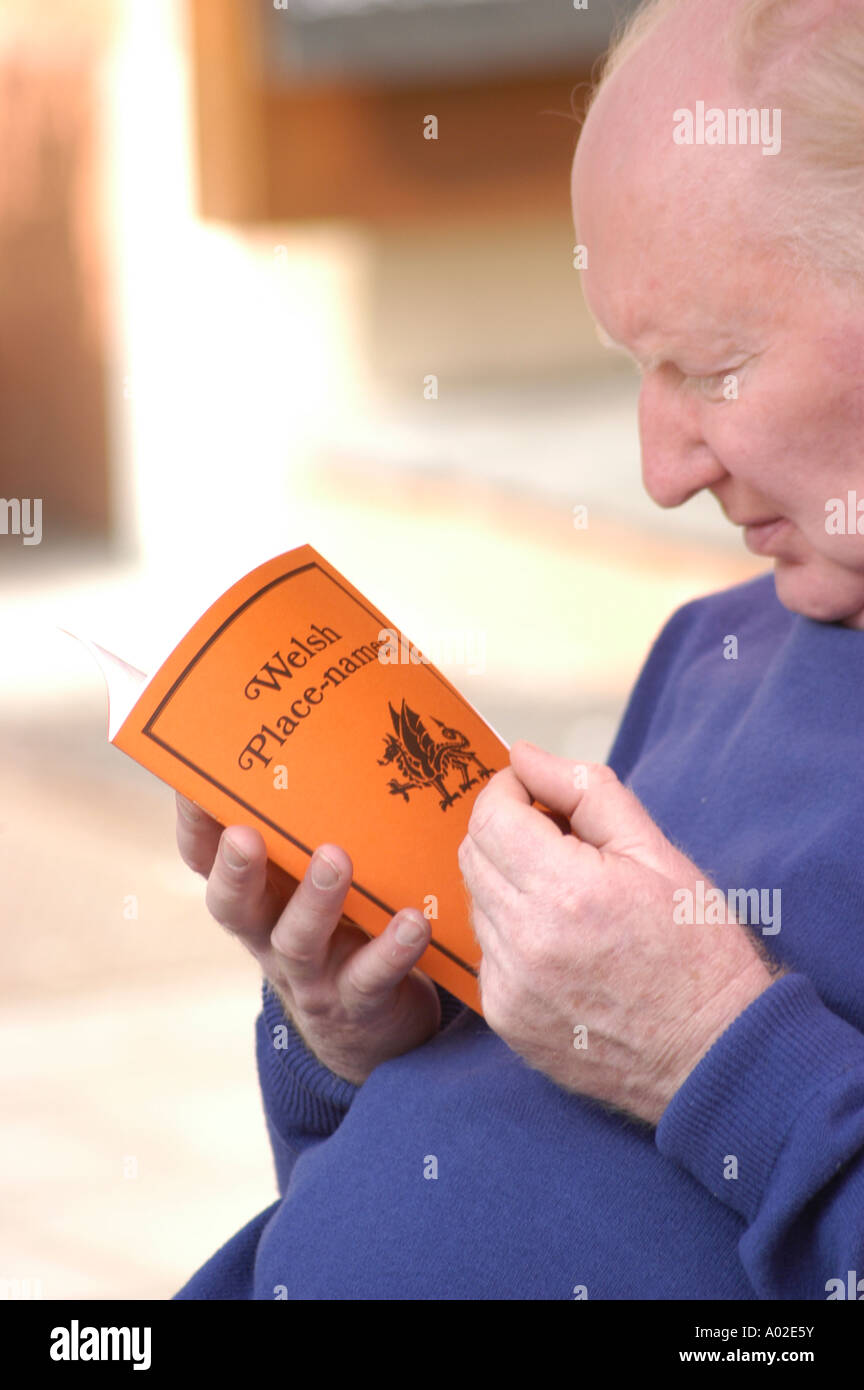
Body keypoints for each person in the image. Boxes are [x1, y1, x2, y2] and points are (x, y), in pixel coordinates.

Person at [173, 0, 864, 1300]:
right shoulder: (712, 647)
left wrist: (714, 1043)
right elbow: (478, 1160)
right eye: (635, 369)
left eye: (713, 367)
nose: (663, 473)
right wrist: (367, 1038)